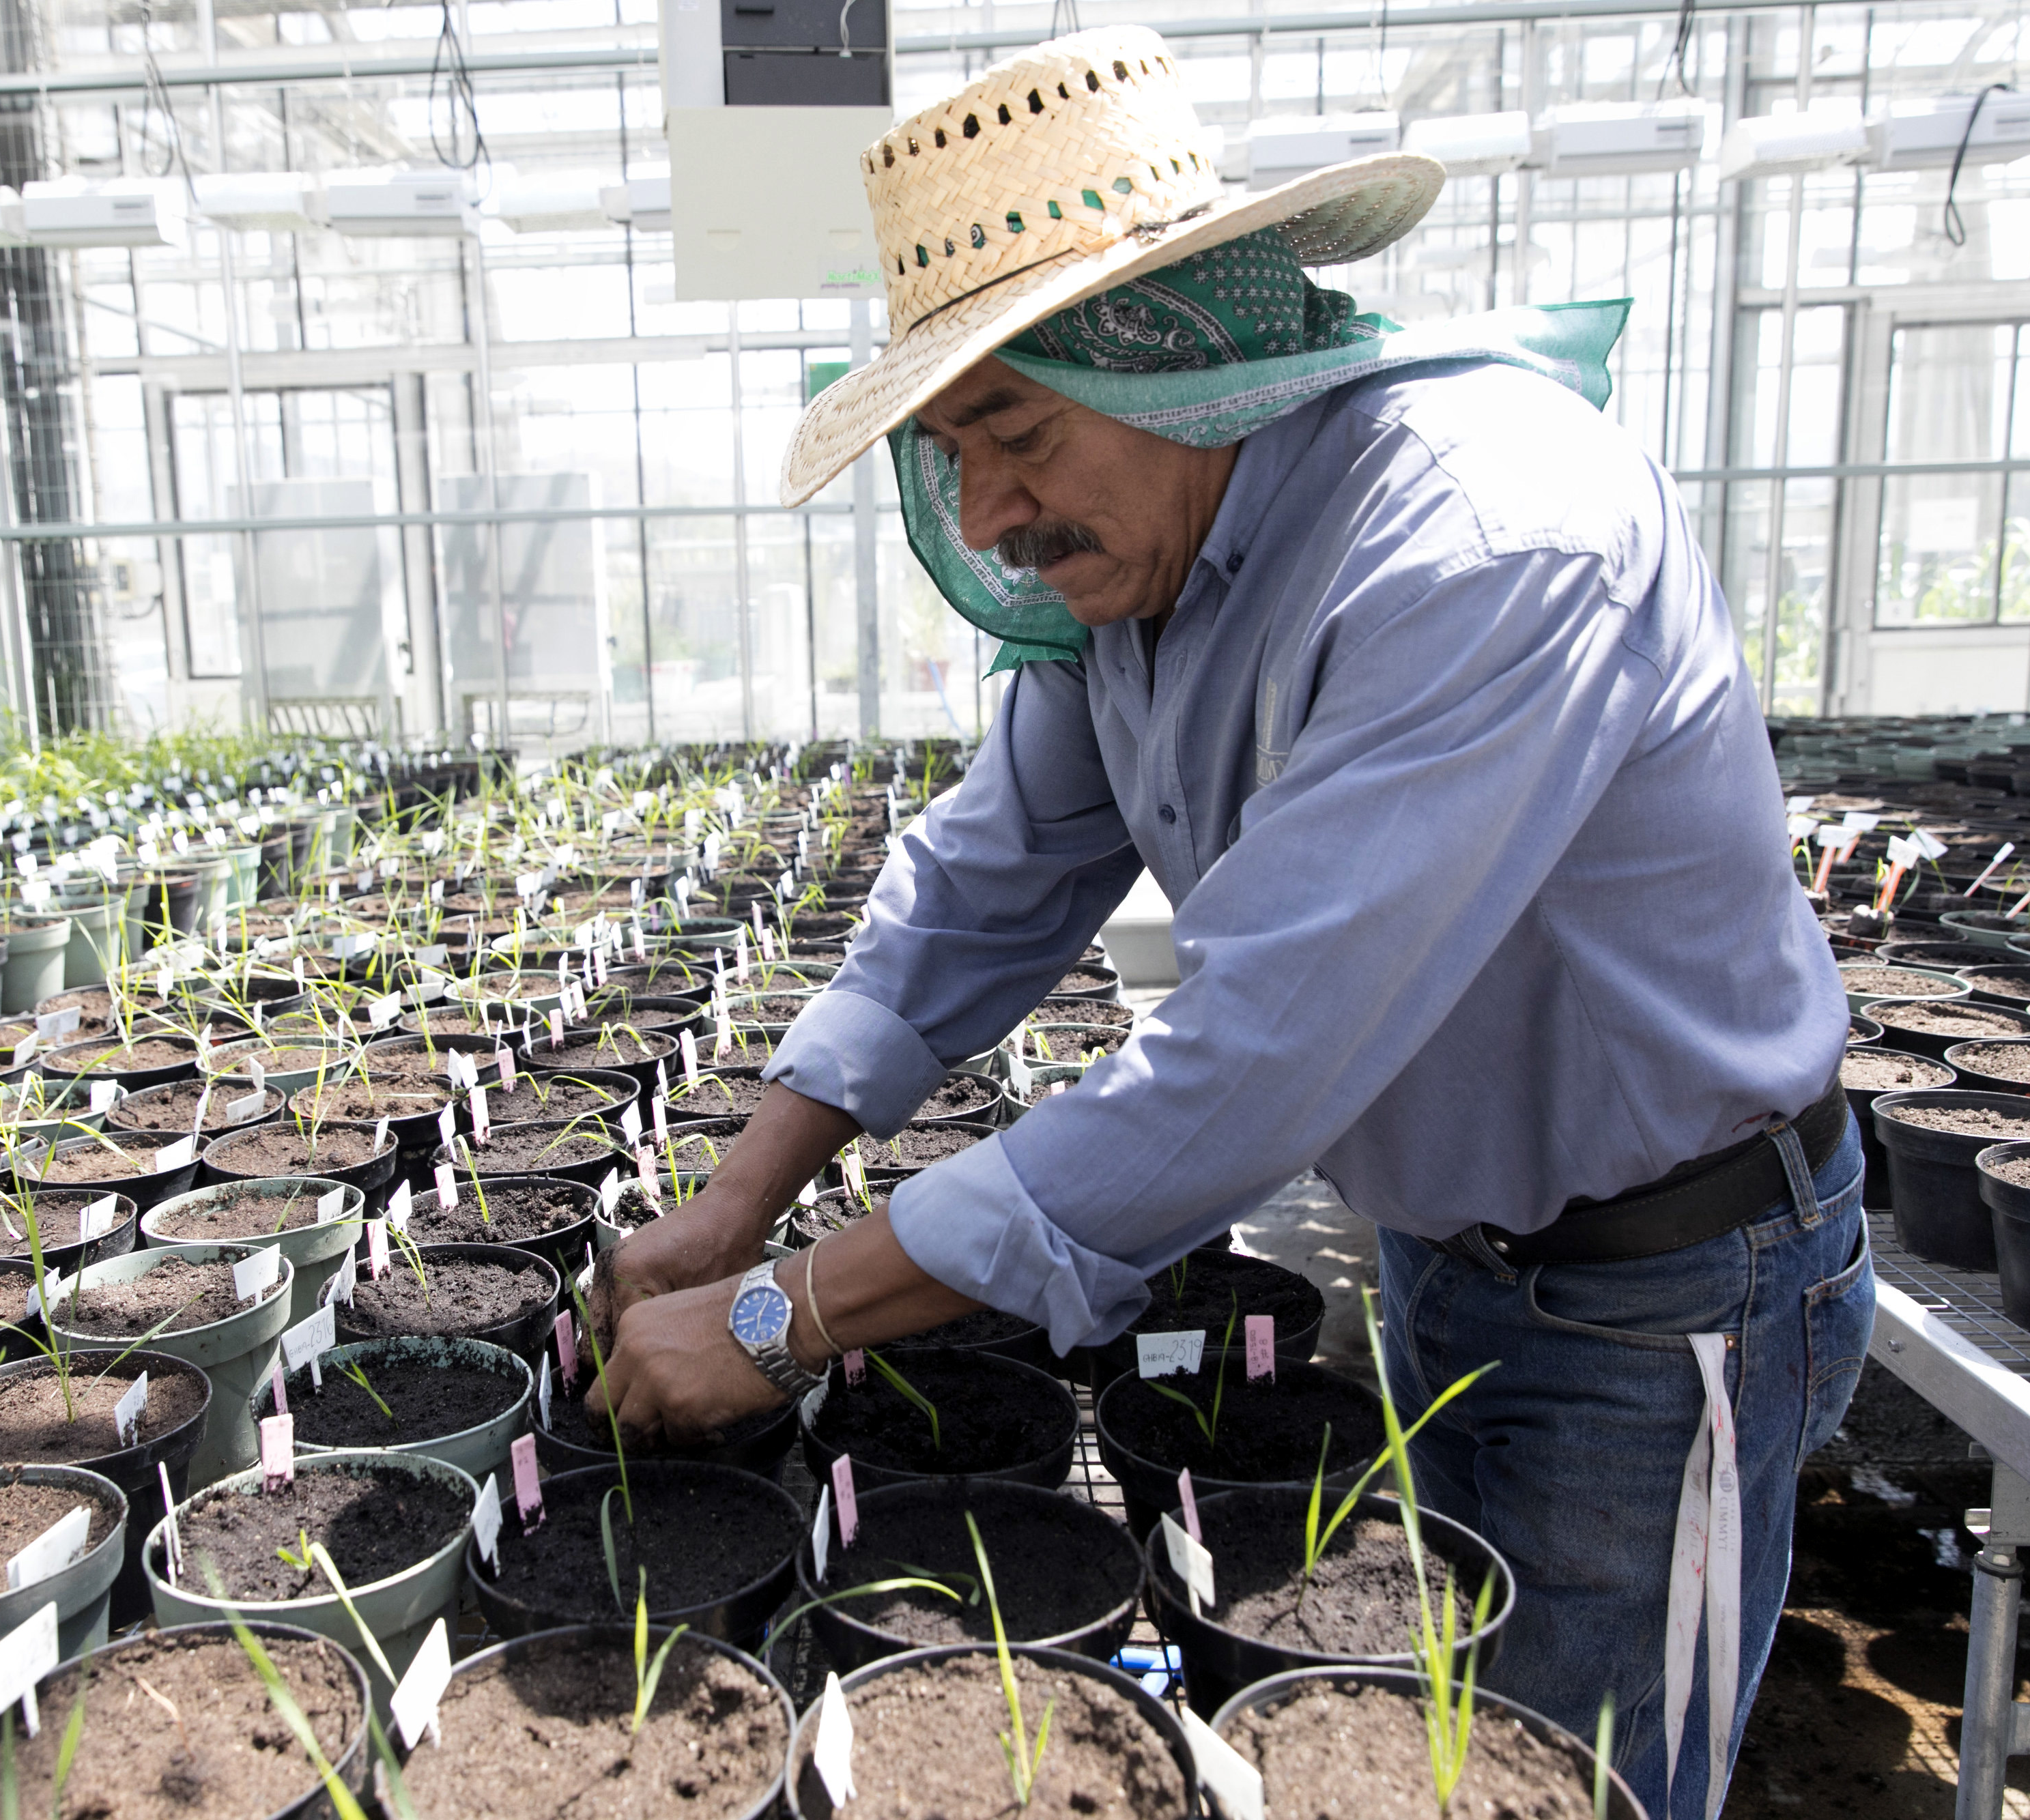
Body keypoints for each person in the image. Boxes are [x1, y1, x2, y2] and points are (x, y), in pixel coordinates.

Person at [590, 26, 1872, 1818]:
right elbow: (985, 882)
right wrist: (732, 1203)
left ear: (1176, 354)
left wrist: (778, 1318)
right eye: (954, 453)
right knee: (1438, 1734)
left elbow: (1243, 1067)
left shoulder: (1479, 543)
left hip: (1670, 1292)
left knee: (1574, 1776)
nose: (988, 515)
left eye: (1015, 432)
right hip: (1455, 1254)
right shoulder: (1148, 575)